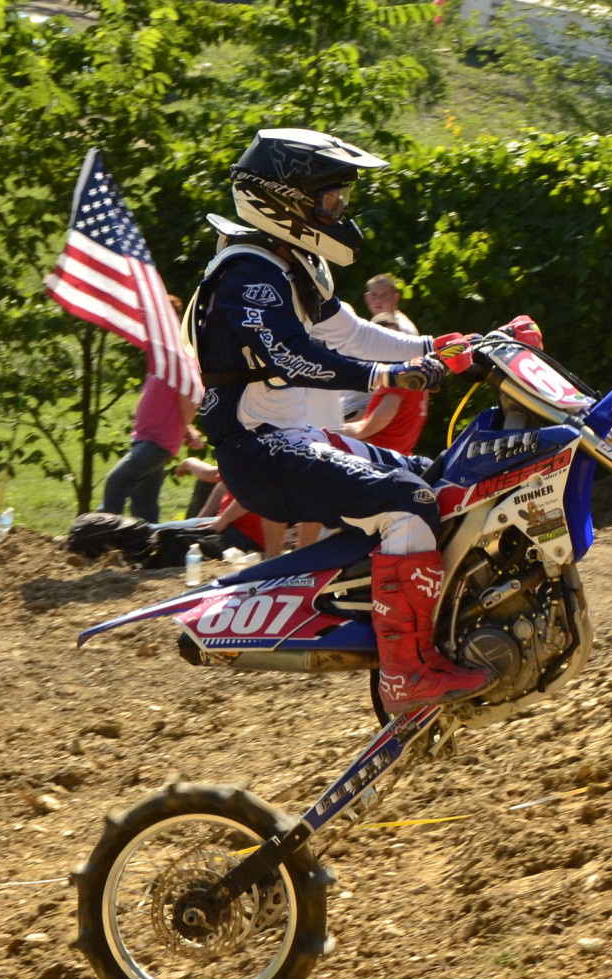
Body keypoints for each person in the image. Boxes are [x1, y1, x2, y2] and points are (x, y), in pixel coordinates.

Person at [187, 127, 491, 713]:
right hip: (260, 451)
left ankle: (447, 634)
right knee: (406, 502)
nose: (340, 211)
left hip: (296, 439)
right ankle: (406, 674)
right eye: (331, 200)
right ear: (287, 200)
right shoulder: (247, 273)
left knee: (442, 481)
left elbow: (346, 333)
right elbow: (292, 355)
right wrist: (386, 378)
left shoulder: (288, 264)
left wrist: (438, 347)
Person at [98, 294, 204, 523]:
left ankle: (100, 536)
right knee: (144, 503)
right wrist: (187, 430)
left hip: (157, 442)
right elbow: (170, 401)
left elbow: (187, 398)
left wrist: (184, 426)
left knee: (116, 481)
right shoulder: (162, 356)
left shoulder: (181, 356)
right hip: (147, 438)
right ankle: (146, 549)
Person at [338, 275, 429, 454]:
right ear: (366, 297)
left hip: (377, 447)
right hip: (380, 436)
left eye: (384, 295)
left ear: (396, 297)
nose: (378, 300)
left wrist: (331, 431)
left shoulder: (401, 350)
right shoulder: (384, 325)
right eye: (374, 295)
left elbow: (382, 416)